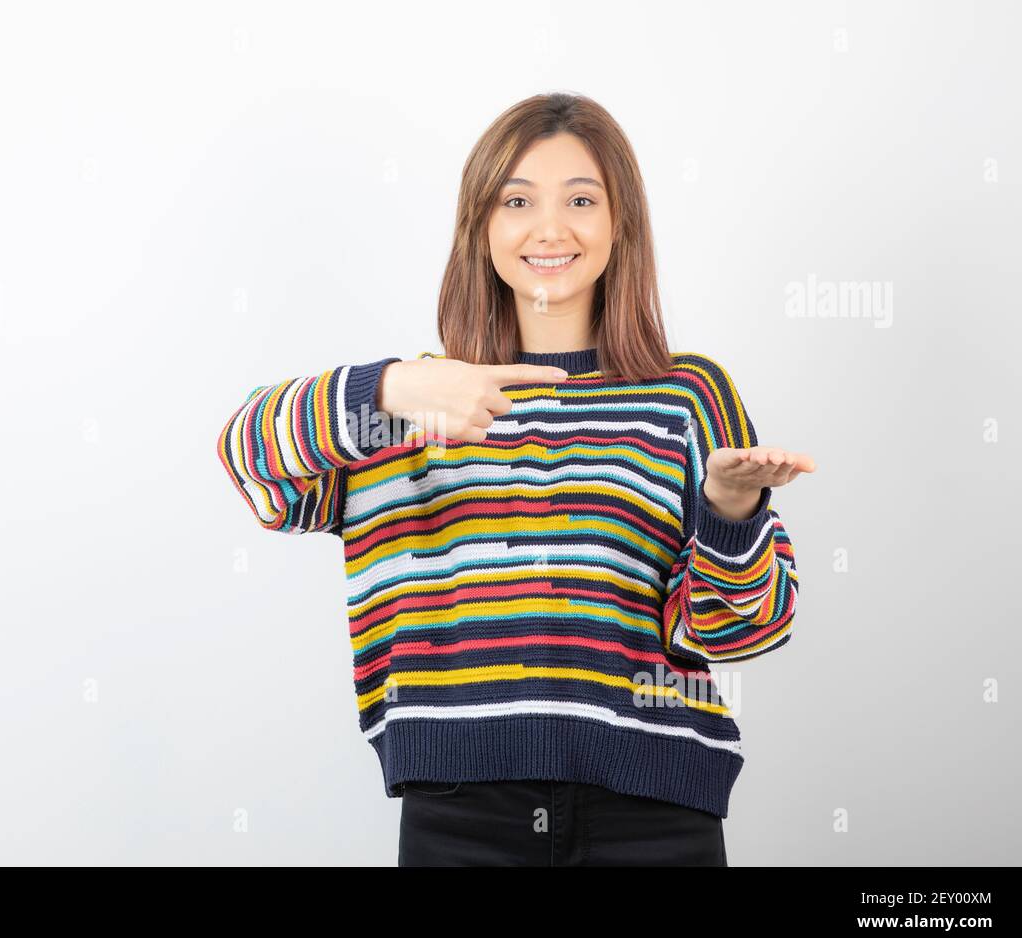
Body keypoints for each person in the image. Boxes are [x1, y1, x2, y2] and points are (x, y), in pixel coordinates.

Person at [214, 91, 814, 866]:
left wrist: (731, 511)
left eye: (582, 199)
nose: (550, 227)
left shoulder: (685, 395)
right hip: (460, 819)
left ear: (619, 221)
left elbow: (744, 632)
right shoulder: (415, 402)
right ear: (481, 226)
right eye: (518, 200)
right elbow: (248, 459)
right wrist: (391, 387)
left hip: (656, 815)